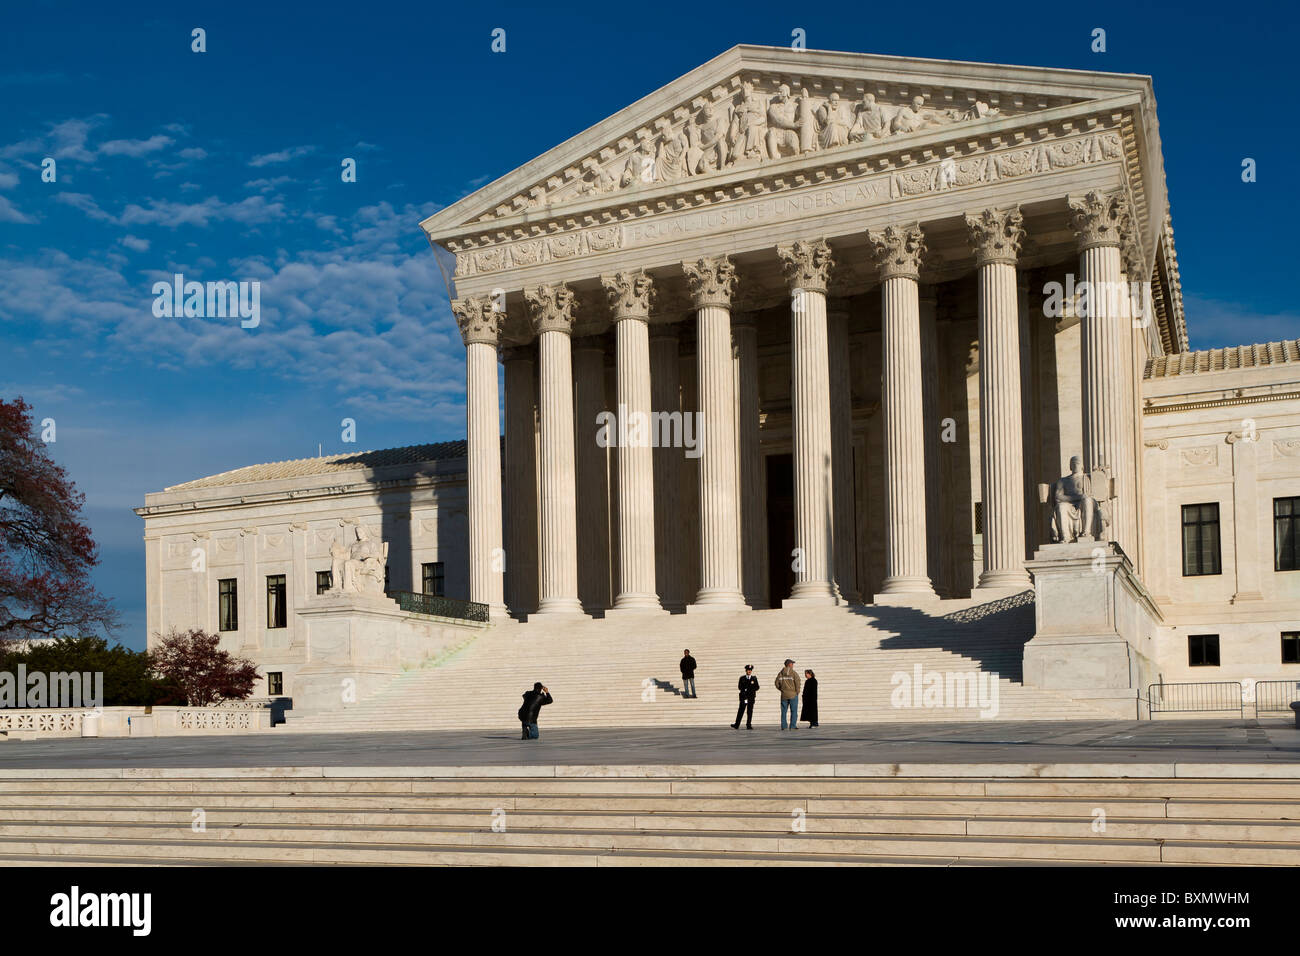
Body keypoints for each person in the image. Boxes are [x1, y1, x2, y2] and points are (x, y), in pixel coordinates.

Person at [775, 659, 801, 730]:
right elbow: (798, 683)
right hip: (793, 695)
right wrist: (797, 692)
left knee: (783, 711)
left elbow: (776, 683)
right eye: (792, 664)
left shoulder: (780, 673)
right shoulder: (794, 673)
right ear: (789, 664)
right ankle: (792, 726)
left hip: (784, 695)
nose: (793, 665)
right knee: (794, 711)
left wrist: (781, 689)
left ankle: (784, 726)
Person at [731, 665, 759, 730]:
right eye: (748, 670)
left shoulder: (754, 678)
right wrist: (746, 689)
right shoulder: (742, 678)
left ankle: (748, 725)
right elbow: (739, 687)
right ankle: (736, 724)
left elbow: (757, 687)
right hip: (744, 697)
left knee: (750, 711)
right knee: (741, 711)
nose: (749, 671)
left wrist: (749, 689)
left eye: (750, 670)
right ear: (746, 671)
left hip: (751, 697)